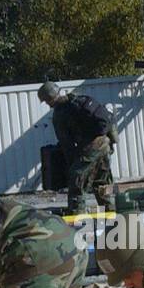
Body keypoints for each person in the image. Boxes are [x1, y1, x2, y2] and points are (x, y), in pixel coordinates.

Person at [36, 81, 116, 212]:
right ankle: (111, 210)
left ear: (49, 98)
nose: (47, 104)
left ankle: (77, 214)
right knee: (101, 180)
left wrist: (72, 164)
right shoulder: (77, 99)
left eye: (46, 101)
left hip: (91, 146)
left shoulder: (59, 113)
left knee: (76, 179)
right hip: (105, 143)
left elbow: (67, 146)